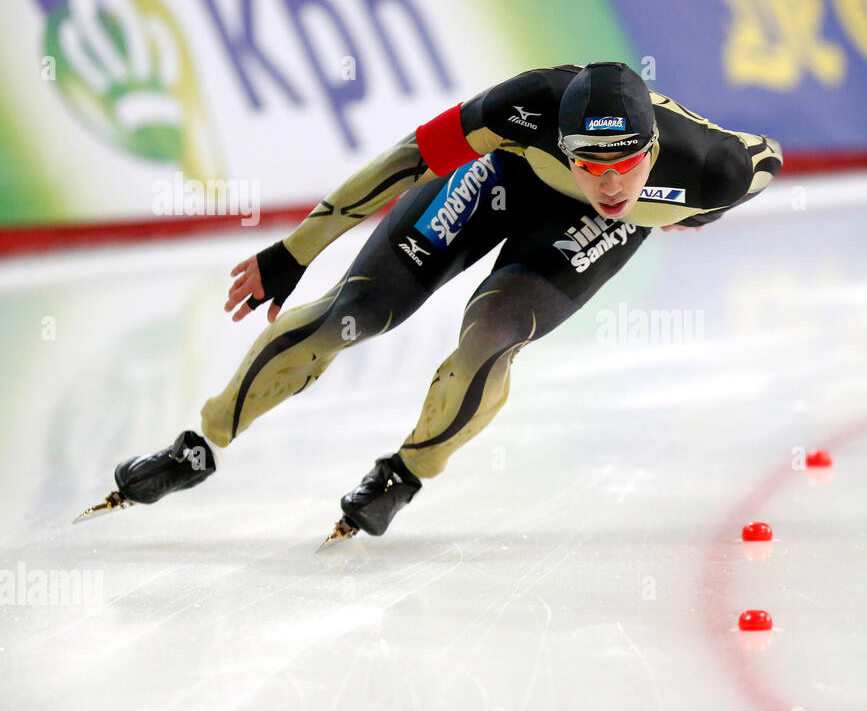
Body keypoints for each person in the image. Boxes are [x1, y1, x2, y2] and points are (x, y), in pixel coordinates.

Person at [78, 62, 783, 545]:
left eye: (627, 164)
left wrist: (697, 210)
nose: (608, 182)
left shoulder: (714, 167)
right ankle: (200, 445)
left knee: (491, 338)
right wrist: (295, 250)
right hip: (503, 176)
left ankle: (406, 472)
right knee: (353, 312)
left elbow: (768, 154)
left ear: (654, 147)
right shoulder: (525, 104)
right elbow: (407, 158)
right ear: (561, 143)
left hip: (584, 234)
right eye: (589, 164)